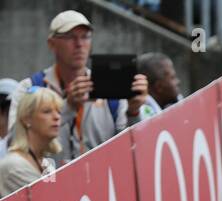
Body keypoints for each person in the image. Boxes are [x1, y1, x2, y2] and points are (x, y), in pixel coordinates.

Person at [6, 11, 150, 164]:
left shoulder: (110, 87)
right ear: (51, 44)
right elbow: (13, 143)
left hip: (101, 182)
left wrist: (133, 111)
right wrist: (68, 108)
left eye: (85, 36)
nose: (79, 44)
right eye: (70, 37)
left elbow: (129, 147)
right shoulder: (30, 87)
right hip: (49, 182)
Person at [0, 87, 62, 196]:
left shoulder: (47, 162)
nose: (57, 117)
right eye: (47, 111)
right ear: (26, 119)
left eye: (58, 111)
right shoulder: (14, 166)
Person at [137, 52, 182, 119]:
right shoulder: (143, 116)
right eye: (173, 77)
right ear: (159, 87)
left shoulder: (176, 100)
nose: (178, 82)